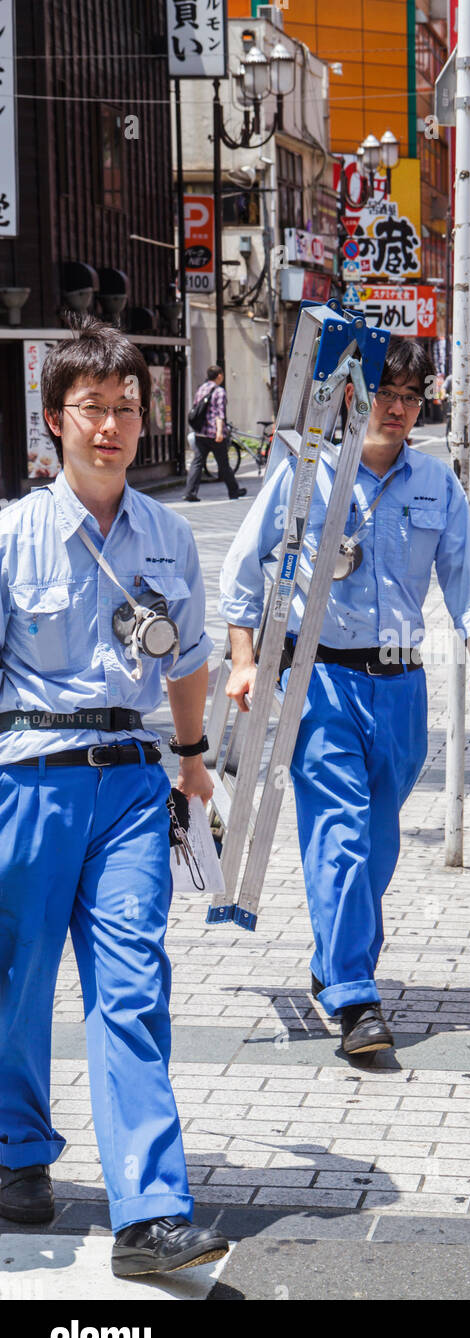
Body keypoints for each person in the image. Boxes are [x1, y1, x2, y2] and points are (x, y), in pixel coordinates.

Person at [0, 320, 228, 1277]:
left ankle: (150, 1211)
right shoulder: (12, 534)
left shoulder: (170, 535)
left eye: (127, 409)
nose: (112, 426)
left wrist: (192, 758)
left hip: (133, 784)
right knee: (15, 987)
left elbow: (186, 661)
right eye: (92, 408)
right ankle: (16, 1155)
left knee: (132, 989)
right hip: (28, 781)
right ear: (56, 420)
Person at [220, 338, 470, 1056]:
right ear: (355, 395)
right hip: (319, 679)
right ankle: (355, 997)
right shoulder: (305, 476)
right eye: (387, 393)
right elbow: (244, 572)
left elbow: (466, 581)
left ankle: (330, 961)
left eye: (412, 397)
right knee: (339, 834)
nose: (400, 408)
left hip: (403, 688)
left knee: (376, 844)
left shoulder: (437, 484)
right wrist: (247, 663)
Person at [183, 365, 247, 503]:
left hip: (200, 433)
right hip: (213, 433)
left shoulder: (201, 388)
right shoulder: (219, 391)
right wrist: (219, 432)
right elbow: (219, 414)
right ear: (219, 376)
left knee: (197, 462)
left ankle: (190, 492)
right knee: (223, 463)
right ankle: (234, 491)